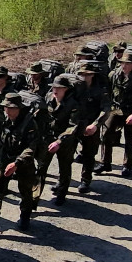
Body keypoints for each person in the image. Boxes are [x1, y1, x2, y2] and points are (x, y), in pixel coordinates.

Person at [0, 93, 41, 234]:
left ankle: (25, 216)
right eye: (5, 108)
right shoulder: (3, 119)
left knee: (25, 189)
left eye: (11, 108)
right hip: (5, 158)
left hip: (23, 161)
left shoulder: (29, 123)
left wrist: (16, 163)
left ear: (19, 108)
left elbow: (31, 148)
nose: (7, 111)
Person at [98, 52, 132, 178]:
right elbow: (108, 92)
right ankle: (105, 163)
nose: (124, 66)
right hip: (115, 109)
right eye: (122, 63)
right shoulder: (113, 74)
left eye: (127, 64)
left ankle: (127, 165)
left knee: (130, 138)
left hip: (131, 111)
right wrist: (106, 108)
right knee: (105, 134)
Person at [40, 74, 80, 206]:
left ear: (66, 89)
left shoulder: (73, 104)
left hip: (65, 140)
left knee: (64, 167)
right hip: (48, 138)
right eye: (53, 88)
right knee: (41, 167)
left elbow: (72, 126)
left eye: (59, 88)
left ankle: (62, 194)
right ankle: (35, 196)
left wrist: (59, 141)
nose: (55, 90)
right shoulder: (49, 97)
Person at [72, 64, 111, 194]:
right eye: (81, 74)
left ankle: (85, 180)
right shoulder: (74, 89)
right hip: (75, 125)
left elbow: (105, 110)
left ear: (92, 75)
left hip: (91, 126)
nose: (83, 77)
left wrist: (95, 124)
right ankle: (62, 182)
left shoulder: (100, 90)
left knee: (89, 155)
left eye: (87, 74)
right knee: (66, 155)